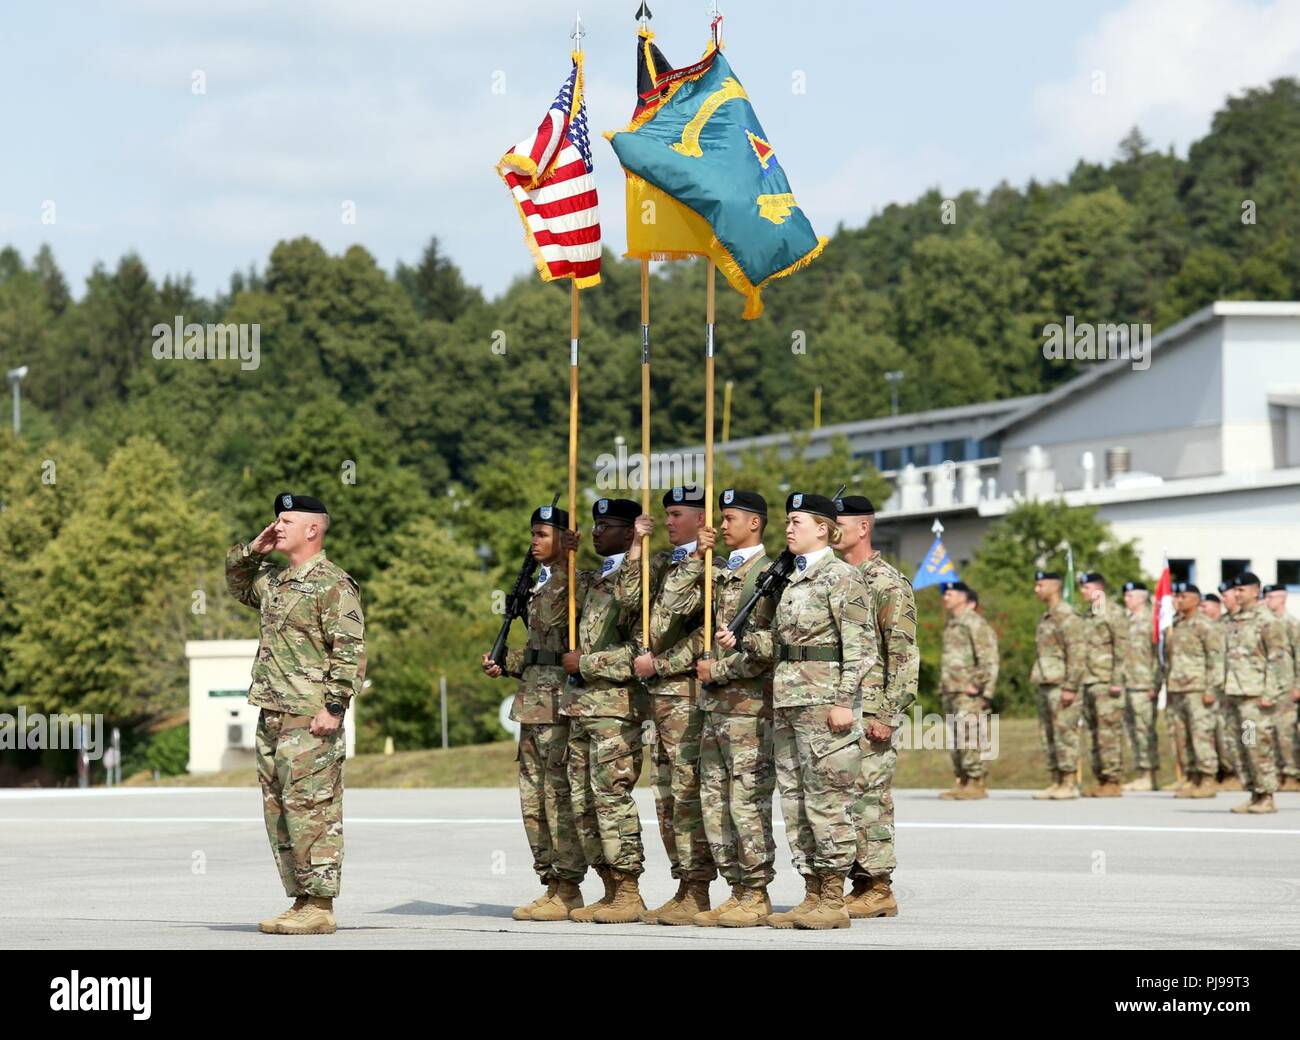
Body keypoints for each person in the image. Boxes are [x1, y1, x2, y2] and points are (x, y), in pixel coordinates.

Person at [718, 492, 877, 930]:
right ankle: (811, 889)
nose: (788, 529)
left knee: (828, 801)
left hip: (826, 705)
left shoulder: (841, 578)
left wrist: (845, 701)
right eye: (787, 521)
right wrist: (745, 640)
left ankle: (833, 897)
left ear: (824, 529)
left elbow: (861, 648)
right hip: (788, 703)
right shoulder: (787, 580)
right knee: (796, 802)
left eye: (797, 521)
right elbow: (780, 646)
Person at [226, 492, 365, 936]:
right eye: (276, 520)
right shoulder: (276, 582)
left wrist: (335, 706)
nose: (277, 525)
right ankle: (301, 899)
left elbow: (350, 651)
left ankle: (320, 903)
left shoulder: (333, 584)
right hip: (272, 713)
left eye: (286, 520)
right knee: (281, 812)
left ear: (313, 529)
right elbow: (236, 581)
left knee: (314, 809)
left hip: (309, 717)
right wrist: (253, 549)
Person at [672, 489, 778, 927]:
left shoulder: (771, 575)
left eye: (731, 517)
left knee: (747, 802)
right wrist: (697, 557)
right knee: (715, 802)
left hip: (749, 708)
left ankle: (755, 891)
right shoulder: (717, 572)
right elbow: (674, 608)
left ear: (755, 523)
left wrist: (722, 668)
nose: (723, 524)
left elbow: (776, 643)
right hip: (713, 709)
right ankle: (735, 888)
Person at [481, 503, 585, 921]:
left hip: (561, 704)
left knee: (558, 797)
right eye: (533, 535)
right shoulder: (536, 584)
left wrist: (575, 560)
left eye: (543, 534)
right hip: (533, 702)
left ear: (564, 538)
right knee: (532, 800)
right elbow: (539, 650)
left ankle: (569, 885)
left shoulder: (576, 581)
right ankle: (551, 883)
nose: (534, 542)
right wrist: (504, 662)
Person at [619, 487, 716, 925]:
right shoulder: (661, 561)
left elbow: (695, 630)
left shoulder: (713, 563)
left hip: (687, 693)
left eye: (677, 514)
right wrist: (637, 546)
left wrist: (660, 662)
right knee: (666, 796)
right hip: (657, 693)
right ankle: (683, 883)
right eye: (666, 515)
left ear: (701, 518)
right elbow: (628, 605)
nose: (669, 522)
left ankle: (698, 887)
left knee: (688, 791)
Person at [560, 498, 648, 922]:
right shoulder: (592, 580)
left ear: (630, 532)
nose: (596, 532)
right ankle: (609, 887)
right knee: (583, 801)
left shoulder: (640, 577)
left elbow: (640, 647)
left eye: (606, 525)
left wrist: (589, 664)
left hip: (616, 707)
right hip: (582, 708)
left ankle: (629, 889)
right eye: (595, 525)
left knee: (612, 798)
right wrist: (564, 553)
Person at [834, 494, 918, 919]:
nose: (832, 528)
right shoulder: (833, 577)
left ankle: (879, 886)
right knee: (843, 800)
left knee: (870, 798)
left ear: (863, 527)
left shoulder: (884, 582)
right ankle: (860, 882)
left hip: (870, 712)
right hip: (839, 710)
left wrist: (888, 714)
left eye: (840, 522)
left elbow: (902, 654)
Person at [1223, 572, 1293, 813]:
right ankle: (1253, 792)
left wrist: (1270, 693)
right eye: (1236, 590)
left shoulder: (1267, 620)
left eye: (1242, 590)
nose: (1237, 594)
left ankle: (1267, 795)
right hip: (1234, 692)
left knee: (1256, 745)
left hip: (1255, 695)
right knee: (1240, 745)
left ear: (1255, 590)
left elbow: (1278, 659)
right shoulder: (1234, 619)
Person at [937, 581, 999, 800]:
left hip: (969, 692)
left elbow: (988, 658)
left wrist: (980, 687)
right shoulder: (952, 624)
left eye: (950, 593)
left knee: (971, 734)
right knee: (956, 738)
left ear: (964, 597)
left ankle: (976, 782)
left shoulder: (975, 623)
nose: (945, 597)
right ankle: (962, 781)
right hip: (951, 689)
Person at [1030, 570, 1086, 800]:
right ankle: (1056, 780)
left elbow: (1077, 653)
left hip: (1063, 683)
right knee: (1049, 734)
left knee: (1065, 732)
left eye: (1040, 584)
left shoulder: (1068, 616)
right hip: (1046, 681)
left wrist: (1071, 686)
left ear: (1055, 587)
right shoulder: (1047, 617)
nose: (1037, 589)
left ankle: (1070, 782)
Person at [1164, 582, 1222, 799]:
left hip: (1198, 688)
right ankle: (1191, 776)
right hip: (1178, 687)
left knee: (1201, 735)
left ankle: (1207, 778)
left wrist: (1210, 689)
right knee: (1182, 736)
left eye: (1183, 597)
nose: (1177, 600)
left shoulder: (1205, 625)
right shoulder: (1176, 625)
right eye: (1176, 597)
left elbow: (1215, 659)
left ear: (1196, 600)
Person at [1077, 572, 1128, 798]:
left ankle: (1112, 779)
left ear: (1099, 588)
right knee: (1094, 732)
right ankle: (1100, 778)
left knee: (1108, 732)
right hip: (1088, 680)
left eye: (1086, 587)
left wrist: (1117, 680)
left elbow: (1122, 647)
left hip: (1106, 681)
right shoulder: (1087, 615)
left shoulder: (1113, 612)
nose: (1082, 592)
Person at [1119, 581, 1162, 791]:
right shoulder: (1125, 621)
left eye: (1129, 596)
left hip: (1144, 684)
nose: (1125, 600)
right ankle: (1140, 772)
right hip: (1126, 682)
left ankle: (1149, 773)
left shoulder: (1151, 621)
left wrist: (1156, 684)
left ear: (1141, 598)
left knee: (1145, 730)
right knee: (1131, 730)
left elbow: (1159, 657)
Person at [1262, 584, 1300, 792]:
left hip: (1285, 686)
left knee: (1285, 732)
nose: (1267, 601)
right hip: (1262, 687)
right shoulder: (1263, 624)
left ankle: (1291, 773)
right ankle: (1267, 773)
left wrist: (1298, 685)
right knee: (1256, 731)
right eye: (1265, 597)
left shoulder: (1292, 624)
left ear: (1282, 599)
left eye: (1271, 597)